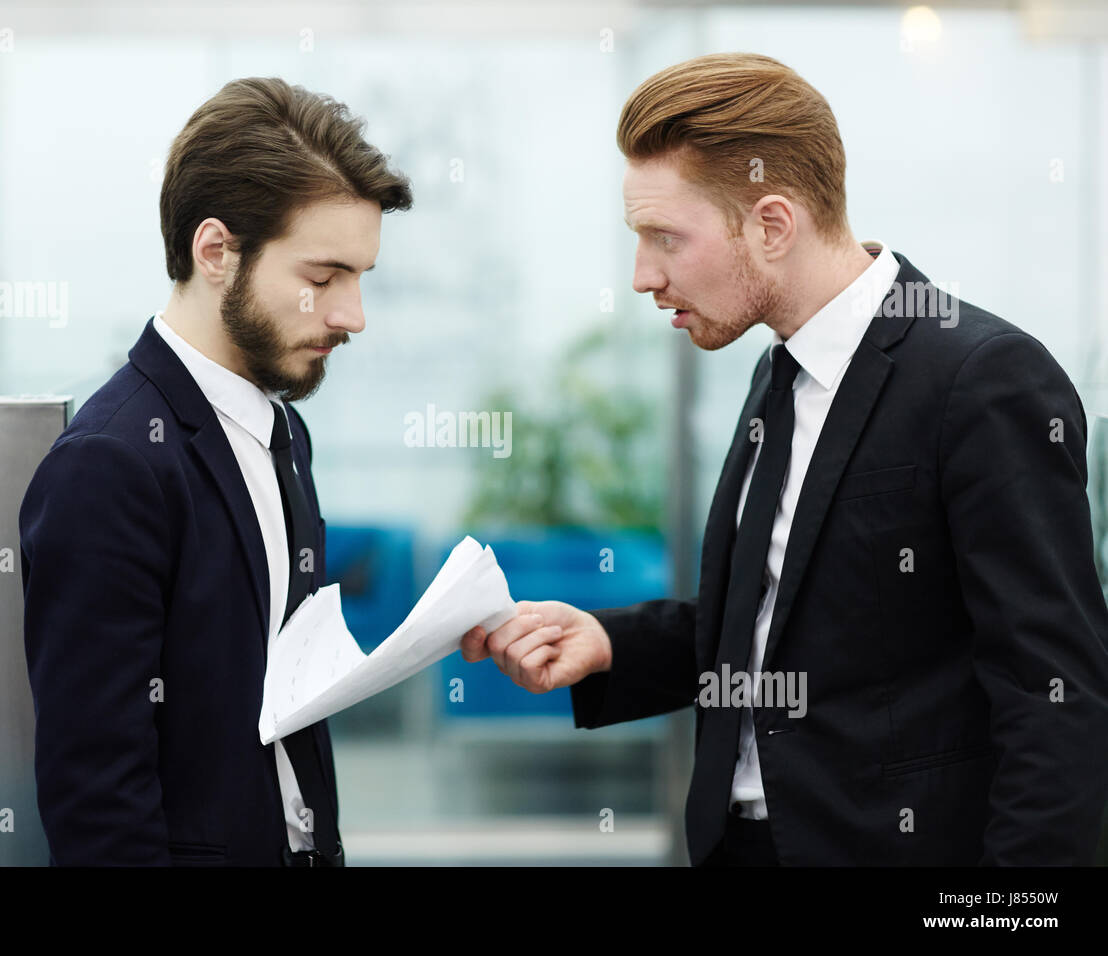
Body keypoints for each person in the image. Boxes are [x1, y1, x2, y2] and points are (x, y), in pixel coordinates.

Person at [462, 52, 1108, 866]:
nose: (642, 276)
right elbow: (787, 618)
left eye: (665, 238)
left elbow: (1055, 693)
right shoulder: (780, 370)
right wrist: (610, 641)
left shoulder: (982, 379)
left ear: (771, 224)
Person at [19, 77, 411, 865]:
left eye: (361, 278)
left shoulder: (284, 430)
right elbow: (97, 799)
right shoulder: (109, 465)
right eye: (322, 277)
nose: (351, 315)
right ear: (216, 252)